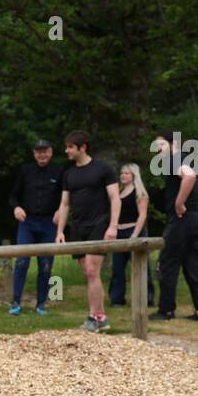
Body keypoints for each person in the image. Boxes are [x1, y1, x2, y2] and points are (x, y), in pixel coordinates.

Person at [54, 130, 119, 333]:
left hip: (99, 224)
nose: (67, 151)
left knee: (92, 270)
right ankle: (101, 316)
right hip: (78, 226)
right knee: (88, 272)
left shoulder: (103, 169)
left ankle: (93, 317)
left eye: (70, 147)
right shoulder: (69, 173)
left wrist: (113, 226)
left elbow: (115, 198)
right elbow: (64, 204)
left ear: (82, 147)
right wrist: (60, 231)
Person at [153, 130, 198, 321]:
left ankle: (166, 310)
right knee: (193, 265)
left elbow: (189, 178)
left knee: (167, 263)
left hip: (181, 221)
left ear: (173, 144)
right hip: (196, 219)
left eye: (160, 145)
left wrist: (179, 203)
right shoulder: (187, 159)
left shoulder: (174, 160)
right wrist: (195, 207)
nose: (157, 150)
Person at [7, 139, 63, 316]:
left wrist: (61, 211)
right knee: (22, 261)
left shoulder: (59, 171)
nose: (42, 155)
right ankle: (15, 302)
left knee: (46, 264)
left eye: (45, 151)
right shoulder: (26, 170)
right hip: (28, 222)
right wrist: (16, 208)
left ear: (51, 152)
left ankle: (41, 303)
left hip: (49, 223)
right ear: (34, 154)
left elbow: (66, 197)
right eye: (39, 152)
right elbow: (13, 196)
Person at [108, 162, 155, 308]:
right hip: (119, 232)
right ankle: (117, 299)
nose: (123, 175)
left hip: (134, 230)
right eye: (122, 173)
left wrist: (135, 234)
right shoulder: (118, 193)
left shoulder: (139, 193)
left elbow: (142, 215)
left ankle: (147, 298)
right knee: (117, 268)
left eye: (127, 173)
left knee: (141, 266)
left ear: (134, 175)